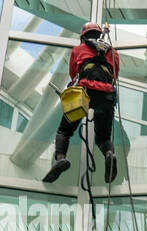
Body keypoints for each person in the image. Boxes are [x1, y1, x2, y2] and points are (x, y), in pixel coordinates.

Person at [44, 22, 120, 184]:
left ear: (83, 36)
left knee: (65, 130)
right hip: (106, 97)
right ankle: (109, 154)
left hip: (83, 94)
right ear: (99, 34)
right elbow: (114, 75)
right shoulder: (113, 53)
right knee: (103, 137)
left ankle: (60, 158)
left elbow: (73, 74)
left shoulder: (78, 50)